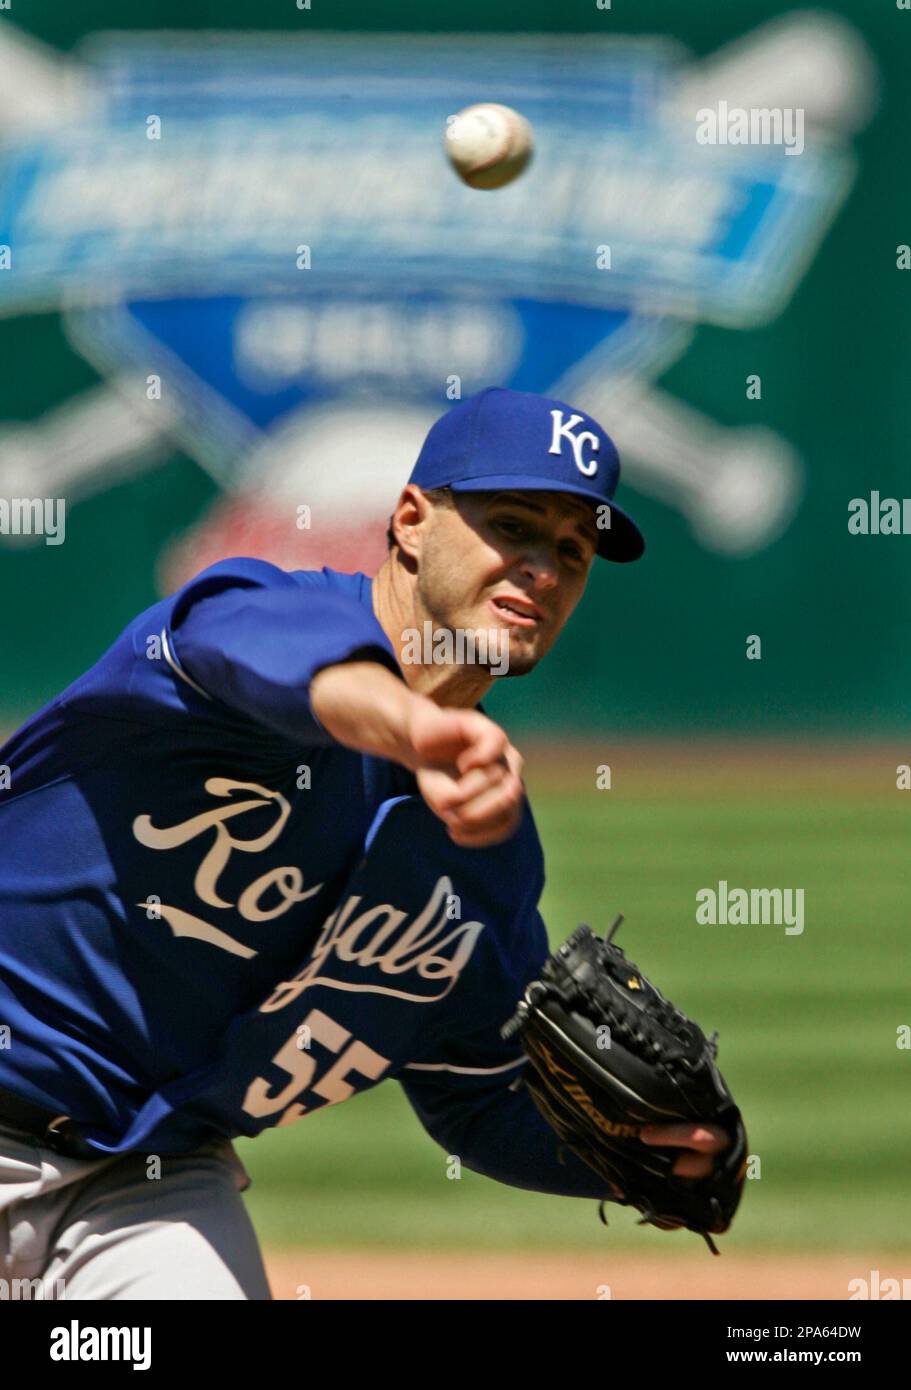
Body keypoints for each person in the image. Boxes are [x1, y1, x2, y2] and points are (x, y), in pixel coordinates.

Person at [0, 387, 727, 1300]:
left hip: (144, 1183)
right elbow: (271, 653)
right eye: (512, 524)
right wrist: (407, 727)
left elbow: (479, 1092)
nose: (541, 566)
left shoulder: (484, 852)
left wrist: (642, 1160)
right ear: (412, 522)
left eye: (572, 551)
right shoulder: (242, 623)